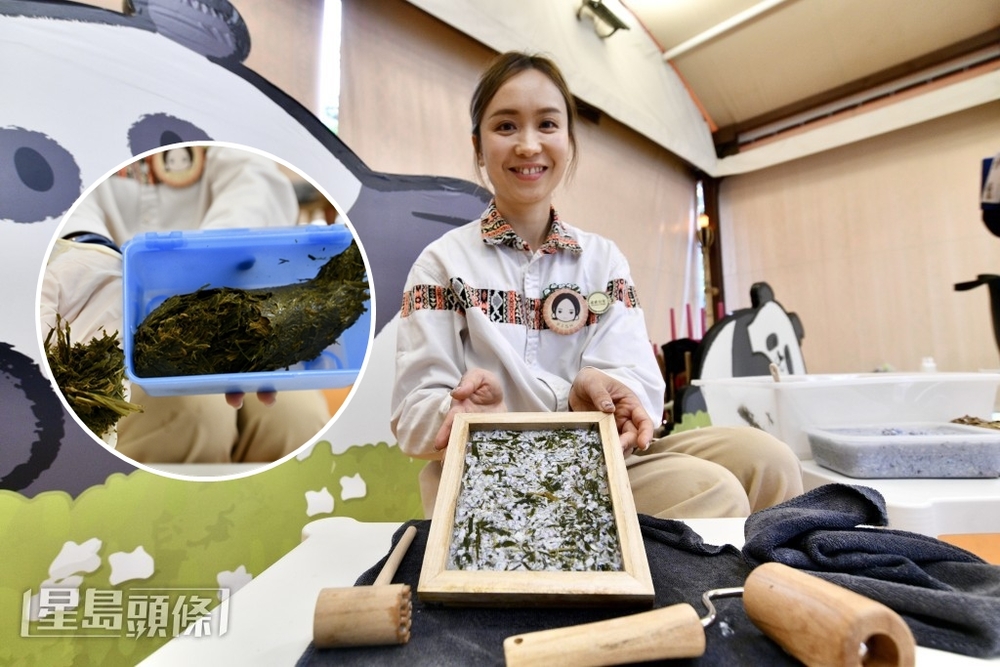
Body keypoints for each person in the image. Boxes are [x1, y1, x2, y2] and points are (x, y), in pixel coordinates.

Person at [390, 51, 803, 518]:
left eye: (547, 124)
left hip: (599, 458)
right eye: (506, 126)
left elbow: (637, 386)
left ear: (569, 139)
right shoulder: (441, 264)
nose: (528, 145)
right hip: (495, 477)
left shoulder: (603, 260)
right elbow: (413, 416)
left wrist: (598, 390)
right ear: (478, 147)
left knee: (771, 461)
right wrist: (469, 414)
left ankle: (769, 585)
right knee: (712, 491)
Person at [40, 144, 331, 464]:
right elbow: (50, 182)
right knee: (190, 416)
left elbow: (255, 176)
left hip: (233, 298)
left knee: (297, 418)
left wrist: (213, 255)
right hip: (106, 304)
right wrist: (88, 245)